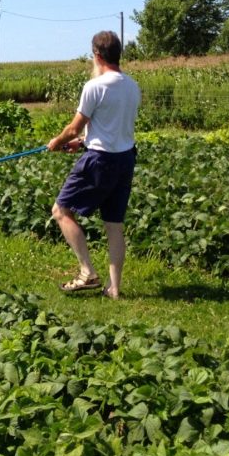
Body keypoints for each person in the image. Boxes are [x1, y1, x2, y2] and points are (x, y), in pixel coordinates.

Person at [46, 30, 141, 299]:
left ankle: (87, 272)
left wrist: (58, 141)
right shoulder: (132, 86)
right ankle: (114, 288)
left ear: (97, 55)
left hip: (99, 161)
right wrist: (84, 143)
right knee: (114, 225)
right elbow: (113, 127)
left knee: (61, 211)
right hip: (125, 159)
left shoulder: (95, 86)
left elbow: (74, 128)